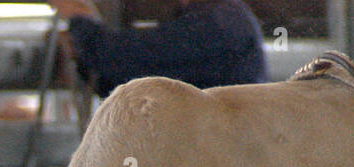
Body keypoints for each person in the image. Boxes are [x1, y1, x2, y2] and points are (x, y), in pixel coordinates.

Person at [55, 0, 268, 97]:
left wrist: (80, 21)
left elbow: (123, 59)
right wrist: (84, 56)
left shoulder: (219, 23)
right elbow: (125, 77)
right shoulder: (223, 18)